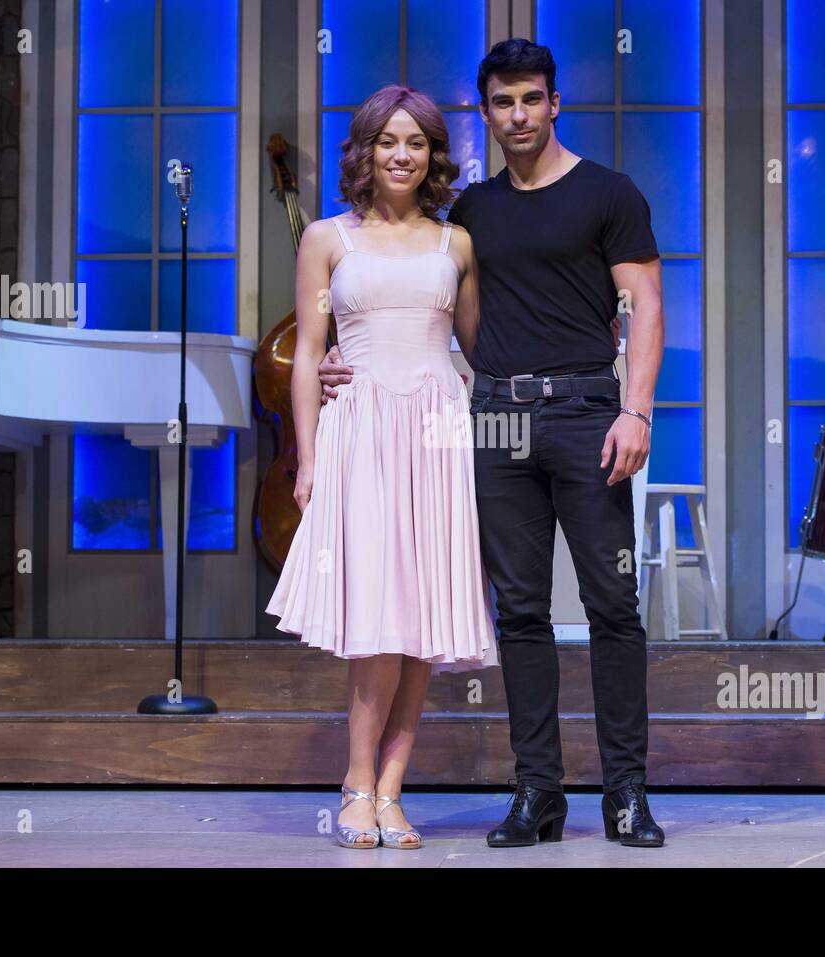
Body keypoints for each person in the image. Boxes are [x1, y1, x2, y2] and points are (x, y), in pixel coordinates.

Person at [319, 38, 667, 848]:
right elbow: (428, 310)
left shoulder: (611, 194)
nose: (518, 114)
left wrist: (637, 410)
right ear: (484, 111)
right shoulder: (471, 213)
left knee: (614, 605)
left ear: (555, 104)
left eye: (531, 99)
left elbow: (645, 307)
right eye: (502, 101)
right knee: (518, 612)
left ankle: (626, 794)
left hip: (589, 413)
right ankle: (538, 793)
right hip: (497, 420)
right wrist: (348, 357)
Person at [265, 84, 498, 850]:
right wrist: (307, 452)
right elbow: (306, 353)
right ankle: (356, 783)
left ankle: (393, 790)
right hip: (360, 429)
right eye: (389, 141)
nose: (404, 154)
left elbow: (476, 348)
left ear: (434, 156)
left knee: (422, 619)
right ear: (364, 151)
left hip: (436, 432)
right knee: (375, 620)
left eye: (419, 142)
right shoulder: (328, 238)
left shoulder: (453, 242)